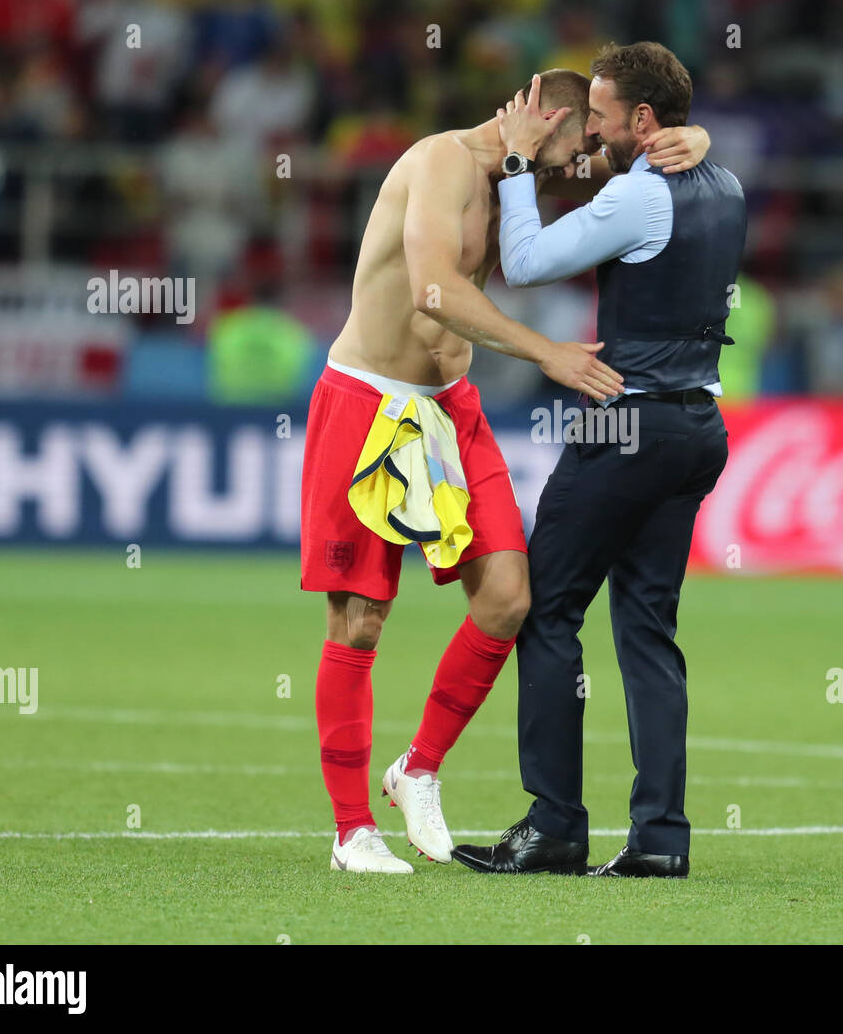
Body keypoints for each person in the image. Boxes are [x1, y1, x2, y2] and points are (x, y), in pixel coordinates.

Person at [300, 67, 710, 873]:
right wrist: (546, 354)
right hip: (370, 402)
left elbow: (647, 149)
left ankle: (417, 767)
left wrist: (699, 139)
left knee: (509, 599)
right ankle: (352, 830)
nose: (586, 155)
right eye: (581, 136)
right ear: (545, 116)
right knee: (360, 621)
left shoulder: (521, 173)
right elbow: (431, 290)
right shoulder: (441, 162)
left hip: (452, 408)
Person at [452, 42, 747, 879]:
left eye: (605, 115)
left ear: (645, 121)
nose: (595, 129)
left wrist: (514, 164)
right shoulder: (724, 186)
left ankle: (554, 827)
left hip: (628, 425)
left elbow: (528, 262)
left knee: (545, 611)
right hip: (698, 427)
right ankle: (660, 839)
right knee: (649, 631)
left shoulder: (638, 195)